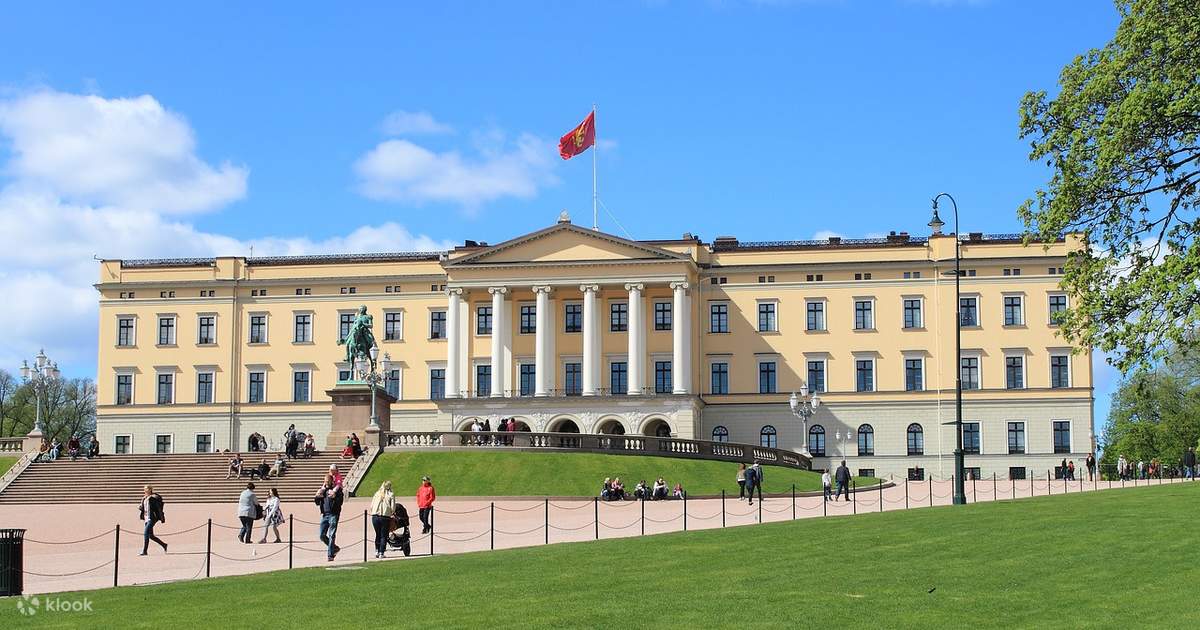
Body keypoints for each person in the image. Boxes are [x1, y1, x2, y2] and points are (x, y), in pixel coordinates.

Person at [314, 476, 343, 561]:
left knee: (331, 535)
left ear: (332, 481)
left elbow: (340, 502)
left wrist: (335, 496)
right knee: (322, 535)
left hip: (333, 514)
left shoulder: (337, 490)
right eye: (325, 481)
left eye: (328, 481)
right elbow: (317, 503)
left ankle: (330, 555)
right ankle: (335, 548)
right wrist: (317, 496)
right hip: (325, 515)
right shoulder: (323, 490)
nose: (326, 483)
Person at [138, 485, 167, 555]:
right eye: (145, 489)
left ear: (150, 490)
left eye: (147, 489)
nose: (145, 491)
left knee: (146, 533)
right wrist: (140, 507)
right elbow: (143, 507)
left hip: (152, 518)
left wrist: (161, 517)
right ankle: (164, 545)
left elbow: (158, 507)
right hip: (146, 518)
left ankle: (145, 551)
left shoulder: (153, 498)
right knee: (151, 535)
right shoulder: (144, 498)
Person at [370, 481, 396, 559]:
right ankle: (381, 552)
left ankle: (377, 550)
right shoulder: (391, 494)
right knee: (383, 535)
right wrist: (391, 513)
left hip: (375, 516)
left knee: (377, 534)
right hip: (385, 516)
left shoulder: (377, 493)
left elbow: (371, 506)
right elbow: (393, 507)